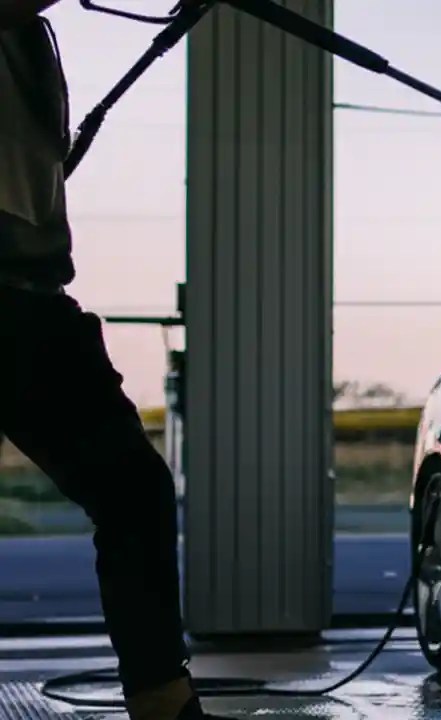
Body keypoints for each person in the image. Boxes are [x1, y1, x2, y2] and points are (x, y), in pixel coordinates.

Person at [0, 2, 227, 718]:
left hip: (30, 297)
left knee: (133, 492)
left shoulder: (29, 38)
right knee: (131, 493)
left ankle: (162, 699)